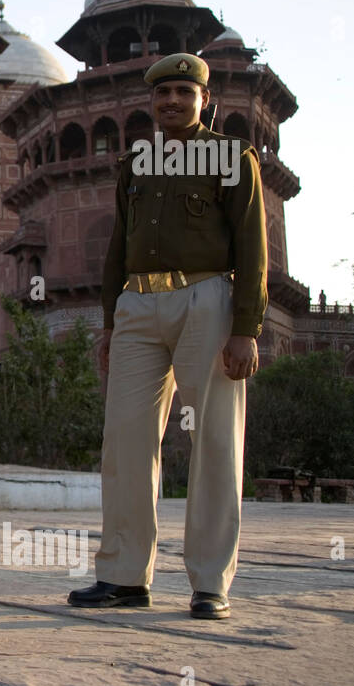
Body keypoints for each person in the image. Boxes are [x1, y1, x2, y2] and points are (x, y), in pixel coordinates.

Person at [69, 52, 266, 620]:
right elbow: (117, 247)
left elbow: (253, 247)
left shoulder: (232, 157)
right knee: (125, 442)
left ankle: (210, 582)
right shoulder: (137, 163)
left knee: (213, 442)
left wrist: (246, 329)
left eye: (184, 91)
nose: (172, 101)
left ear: (206, 100)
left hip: (206, 298)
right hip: (138, 302)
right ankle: (125, 577)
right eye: (162, 94)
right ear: (150, 102)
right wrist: (111, 321)